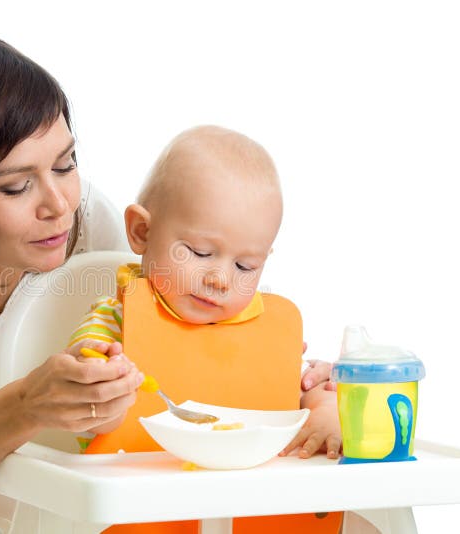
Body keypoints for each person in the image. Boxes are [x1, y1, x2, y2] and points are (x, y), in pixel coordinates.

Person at [0, 34, 334, 534]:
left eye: (66, 163)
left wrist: (293, 382)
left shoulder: (79, 220)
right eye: (17, 186)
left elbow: (191, 326)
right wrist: (24, 406)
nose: (60, 204)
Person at [69, 125, 341, 460]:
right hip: (131, 495)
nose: (221, 280)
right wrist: (96, 381)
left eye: (245, 267)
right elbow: (80, 398)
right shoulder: (115, 322)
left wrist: (326, 409)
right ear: (142, 231)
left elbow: (301, 390)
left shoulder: (259, 331)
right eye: (200, 253)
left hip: (235, 502)